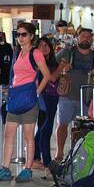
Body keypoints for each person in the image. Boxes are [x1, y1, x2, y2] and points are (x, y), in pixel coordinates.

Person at [0, 21, 52, 183]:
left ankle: (27, 169)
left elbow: (47, 75)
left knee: (28, 136)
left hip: (29, 99)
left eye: (24, 34)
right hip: (16, 98)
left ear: (31, 36)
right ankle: (5, 168)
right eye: (18, 34)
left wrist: (36, 92)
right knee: (8, 134)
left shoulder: (35, 53)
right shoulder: (17, 53)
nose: (20, 38)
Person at [53, 26, 94, 163]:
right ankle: (60, 153)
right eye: (83, 36)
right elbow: (52, 64)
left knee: (83, 128)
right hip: (67, 95)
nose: (86, 39)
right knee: (62, 125)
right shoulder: (67, 52)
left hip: (86, 97)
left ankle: (79, 154)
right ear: (77, 38)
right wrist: (63, 68)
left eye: (89, 37)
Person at [31, 36, 60, 170]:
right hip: (42, 98)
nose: (44, 47)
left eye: (46, 44)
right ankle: (47, 161)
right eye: (41, 45)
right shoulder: (37, 63)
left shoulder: (53, 62)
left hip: (53, 98)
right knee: (46, 129)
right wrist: (62, 67)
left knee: (43, 128)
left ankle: (35, 157)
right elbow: (52, 78)